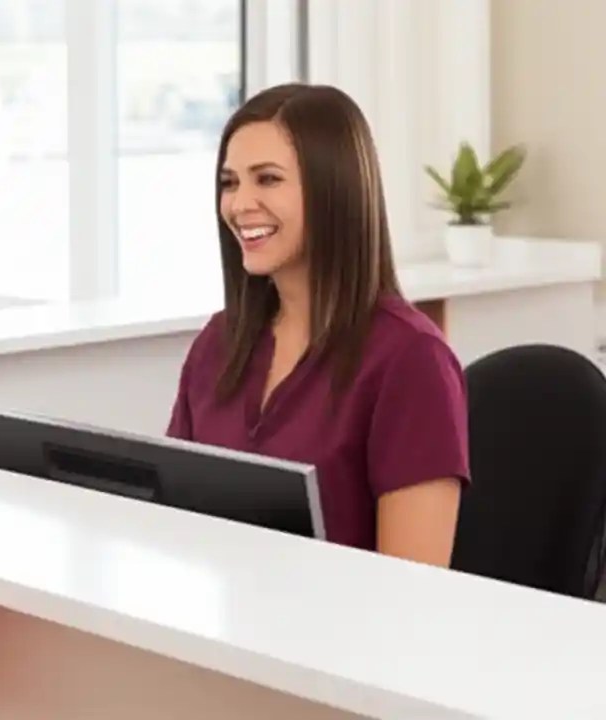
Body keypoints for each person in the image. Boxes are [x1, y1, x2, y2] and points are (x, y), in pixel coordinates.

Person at [167, 83, 469, 564]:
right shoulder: (217, 344)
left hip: (339, 636)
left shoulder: (411, 361)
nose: (240, 204)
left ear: (334, 190)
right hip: (223, 629)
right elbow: (173, 527)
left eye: (267, 179)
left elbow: (413, 595)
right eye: (229, 182)